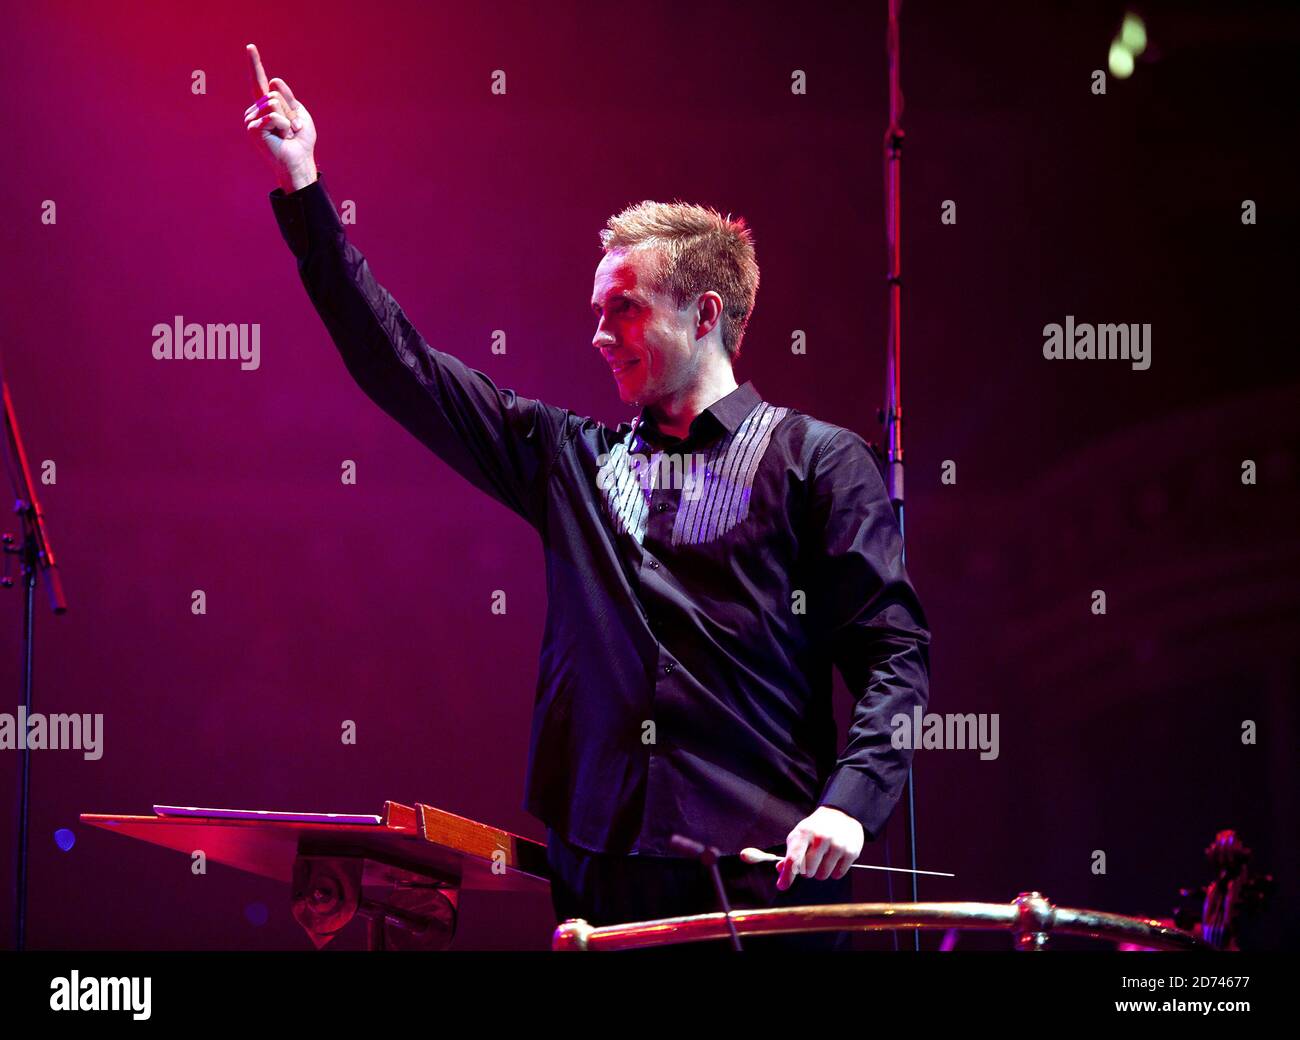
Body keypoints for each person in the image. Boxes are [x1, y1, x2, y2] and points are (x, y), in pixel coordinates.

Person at [243, 43, 931, 952]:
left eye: (625, 309)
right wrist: (305, 188)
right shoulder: (569, 459)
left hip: (767, 884)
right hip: (599, 879)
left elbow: (896, 658)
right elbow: (399, 366)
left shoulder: (819, 462)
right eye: (598, 310)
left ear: (706, 313)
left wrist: (852, 807)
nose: (598, 335)